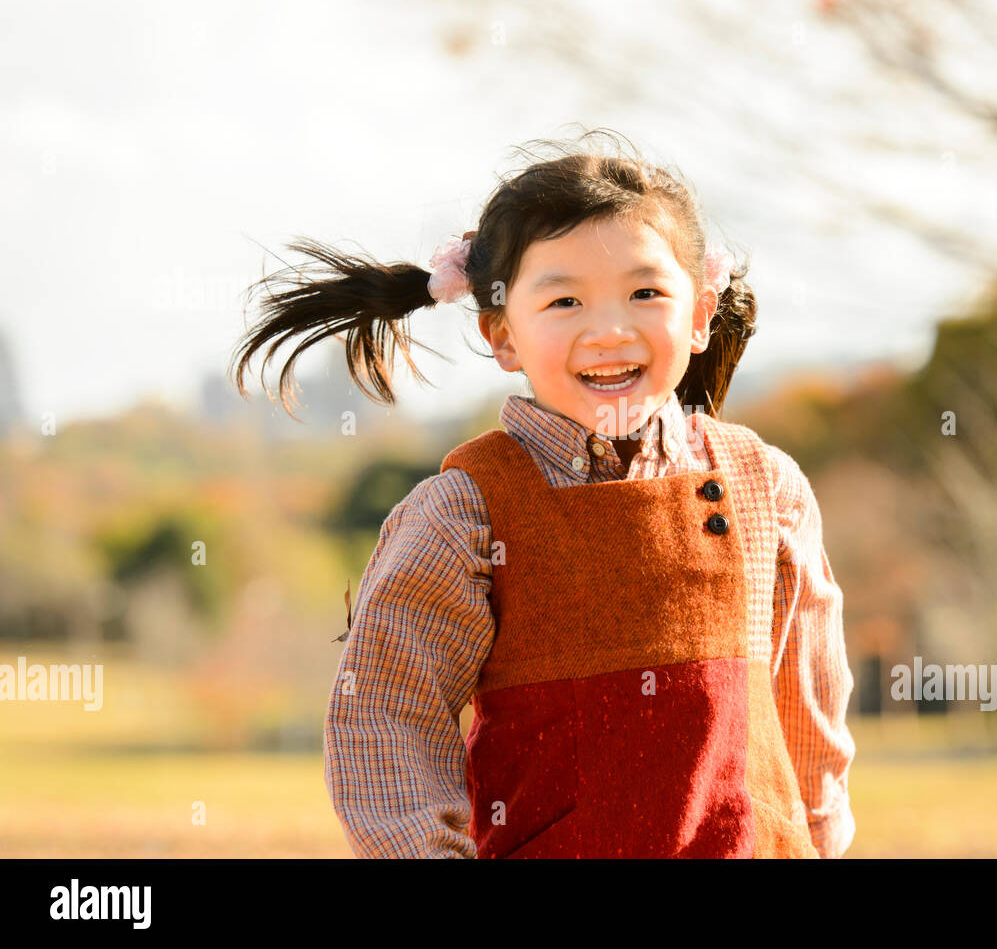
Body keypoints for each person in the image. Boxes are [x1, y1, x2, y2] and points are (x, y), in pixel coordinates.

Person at [231, 129, 855, 859]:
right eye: (564, 300)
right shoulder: (467, 512)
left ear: (698, 313)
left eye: (645, 292)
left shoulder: (763, 486)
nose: (609, 330)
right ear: (502, 333)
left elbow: (807, 709)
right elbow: (387, 716)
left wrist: (817, 835)